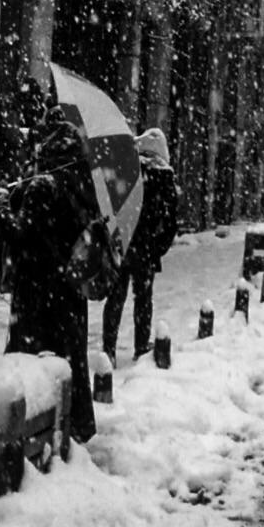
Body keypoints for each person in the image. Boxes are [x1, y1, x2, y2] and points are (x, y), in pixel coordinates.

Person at [0, 111, 98, 443]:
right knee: (70, 358)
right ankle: (76, 424)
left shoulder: (44, 185)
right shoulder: (83, 184)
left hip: (39, 293)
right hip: (70, 291)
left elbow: (22, 234)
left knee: (30, 365)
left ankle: (28, 436)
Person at [101, 128, 179, 363]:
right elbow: (170, 221)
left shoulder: (125, 170)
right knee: (143, 299)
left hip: (122, 244)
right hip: (145, 249)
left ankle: (109, 349)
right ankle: (141, 345)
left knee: (115, 298)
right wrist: (157, 247)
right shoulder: (164, 176)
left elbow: (108, 206)